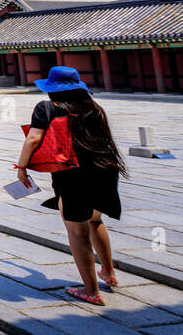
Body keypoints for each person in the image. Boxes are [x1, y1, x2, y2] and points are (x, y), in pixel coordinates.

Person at [14, 66, 125, 305]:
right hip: (105, 169)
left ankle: (91, 291)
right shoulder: (94, 108)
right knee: (95, 220)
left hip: (73, 173)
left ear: (52, 89)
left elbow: (33, 138)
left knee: (77, 231)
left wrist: (21, 168)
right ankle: (108, 272)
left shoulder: (46, 108)